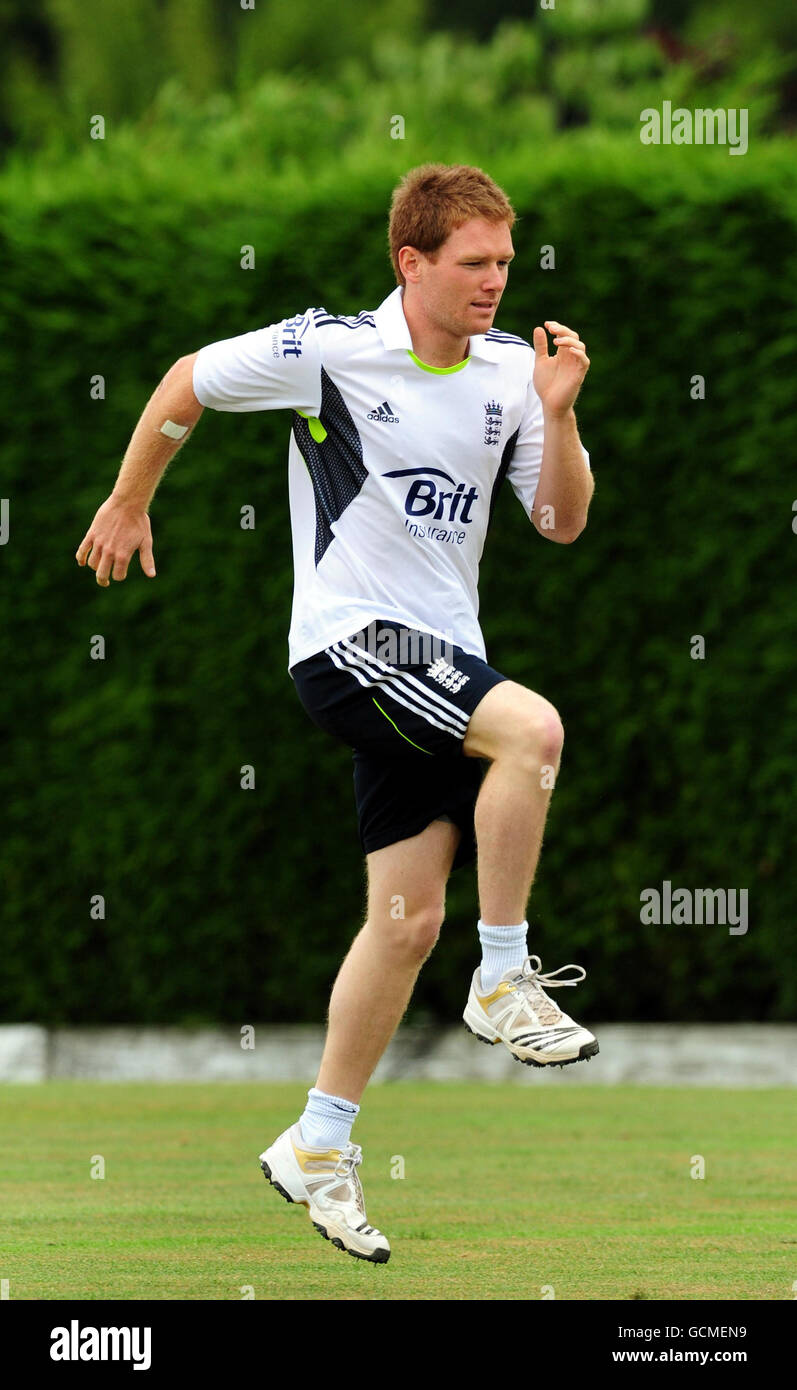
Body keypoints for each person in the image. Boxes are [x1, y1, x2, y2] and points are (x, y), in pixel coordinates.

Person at [76, 163, 597, 1266]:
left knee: (404, 921)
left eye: (504, 262)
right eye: (472, 264)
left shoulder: (512, 374)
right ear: (410, 263)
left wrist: (558, 418)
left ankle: (317, 1142)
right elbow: (185, 382)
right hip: (352, 648)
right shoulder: (330, 349)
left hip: (436, 665)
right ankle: (502, 973)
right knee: (534, 731)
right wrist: (129, 499)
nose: (494, 282)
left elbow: (556, 524)